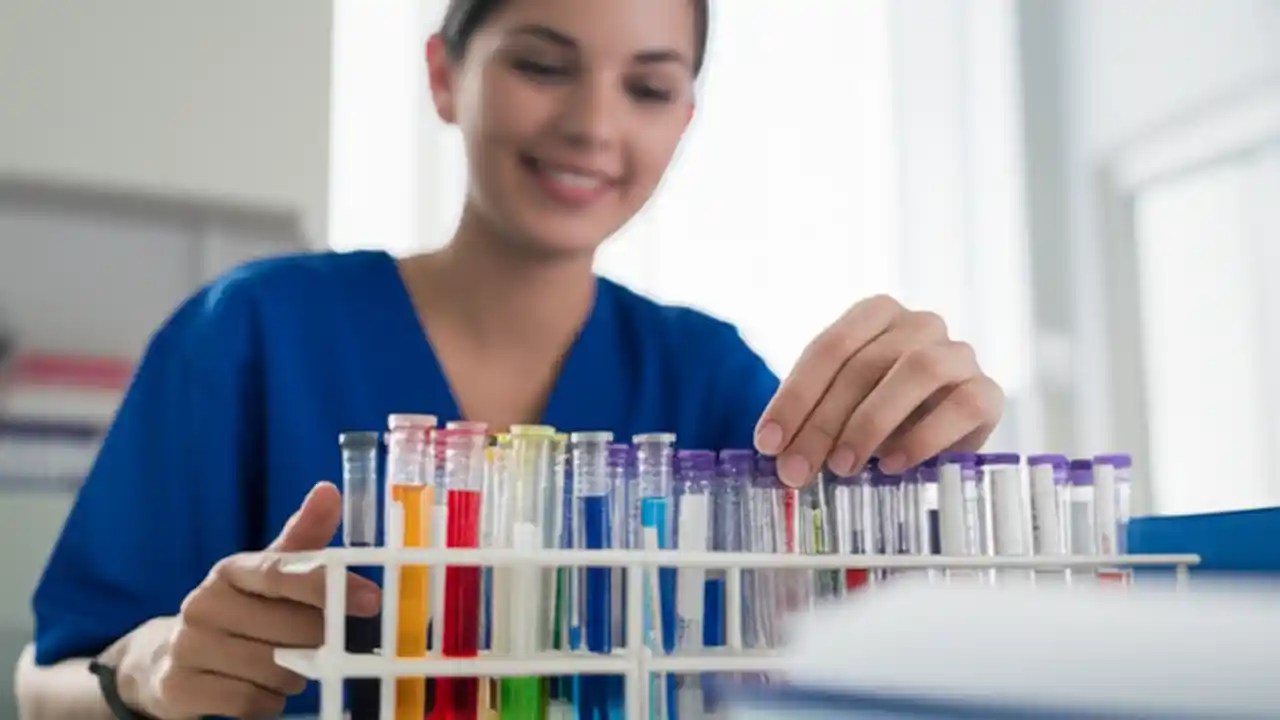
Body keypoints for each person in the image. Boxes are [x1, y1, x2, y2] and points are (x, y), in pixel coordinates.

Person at [18, 0, 1003, 717]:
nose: (592, 124)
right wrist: (144, 674)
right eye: (541, 64)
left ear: (682, 122)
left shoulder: (706, 377)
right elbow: (42, 678)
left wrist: (920, 459)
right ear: (444, 74)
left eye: (649, 86)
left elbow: (852, 634)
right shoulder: (248, 332)